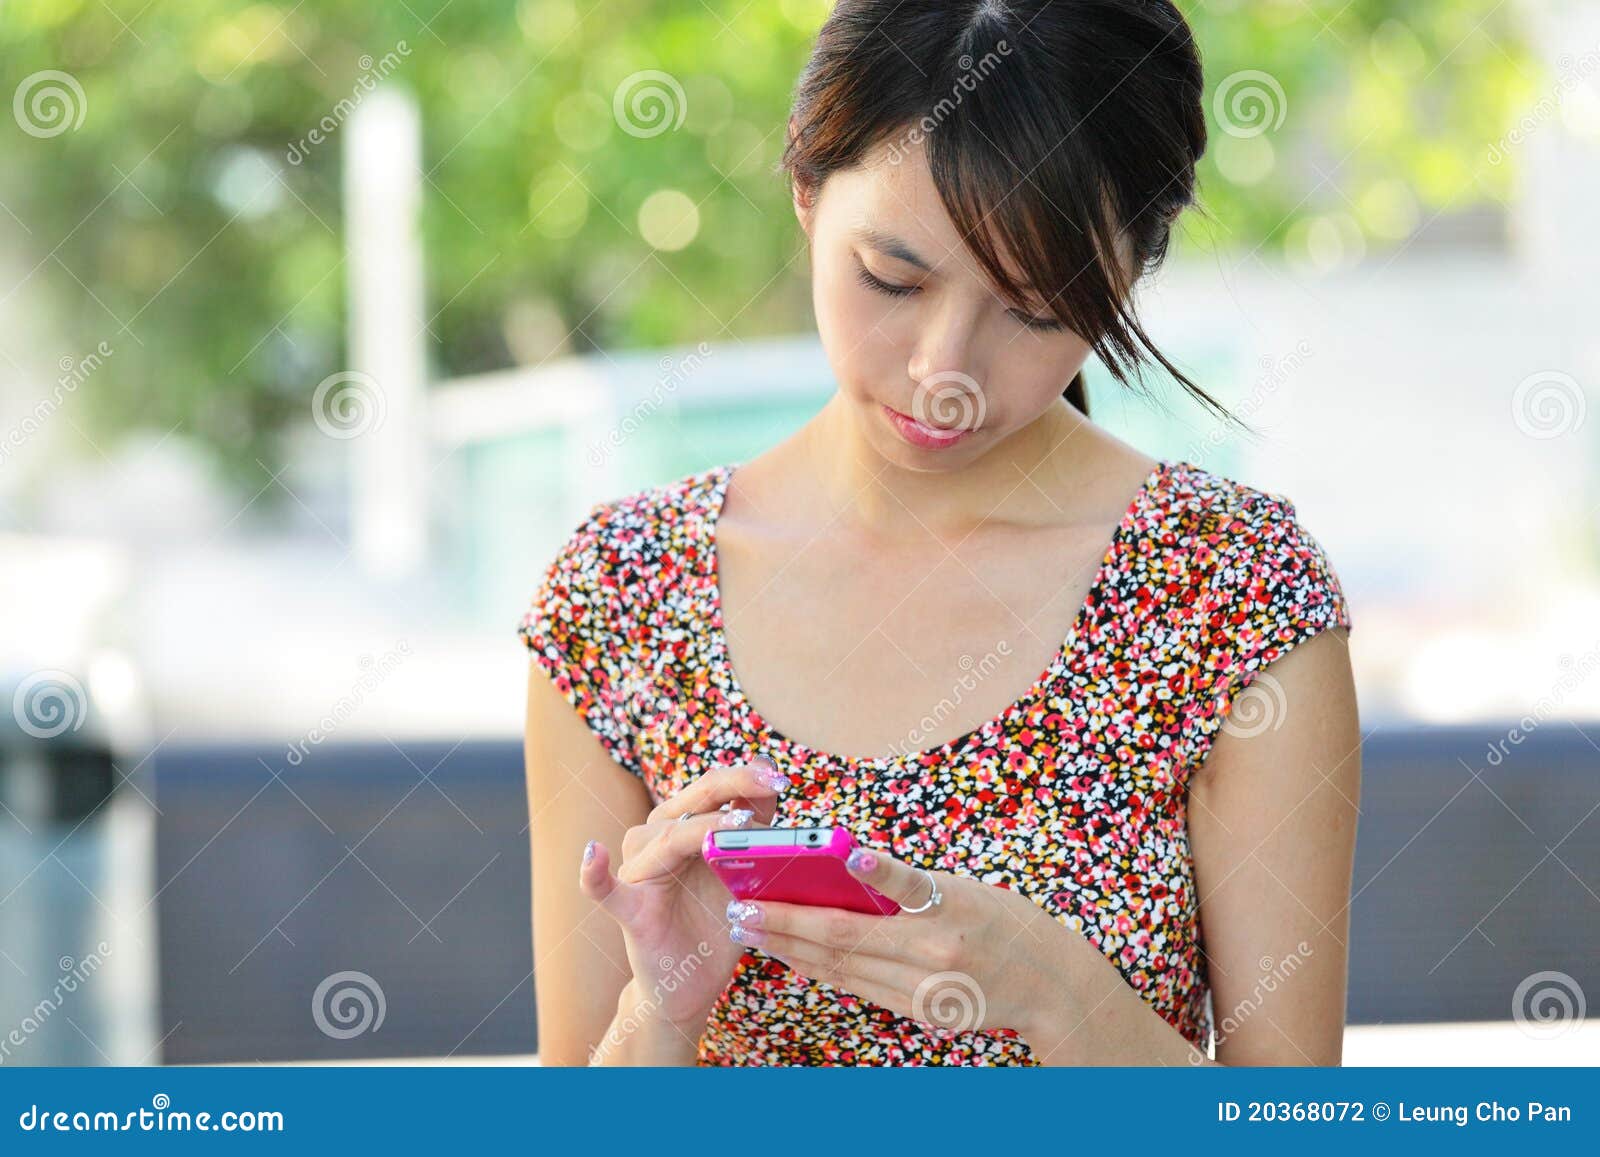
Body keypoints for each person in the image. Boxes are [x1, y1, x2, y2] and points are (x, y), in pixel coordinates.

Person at [521, 0, 1359, 1066]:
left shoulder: (1232, 594)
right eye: (892, 279)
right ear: (804, 194)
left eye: (1036, 308)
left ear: (1128, 275)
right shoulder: (622, 596)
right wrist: (660, 1011)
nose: (943, 374)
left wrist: (1065, 999)